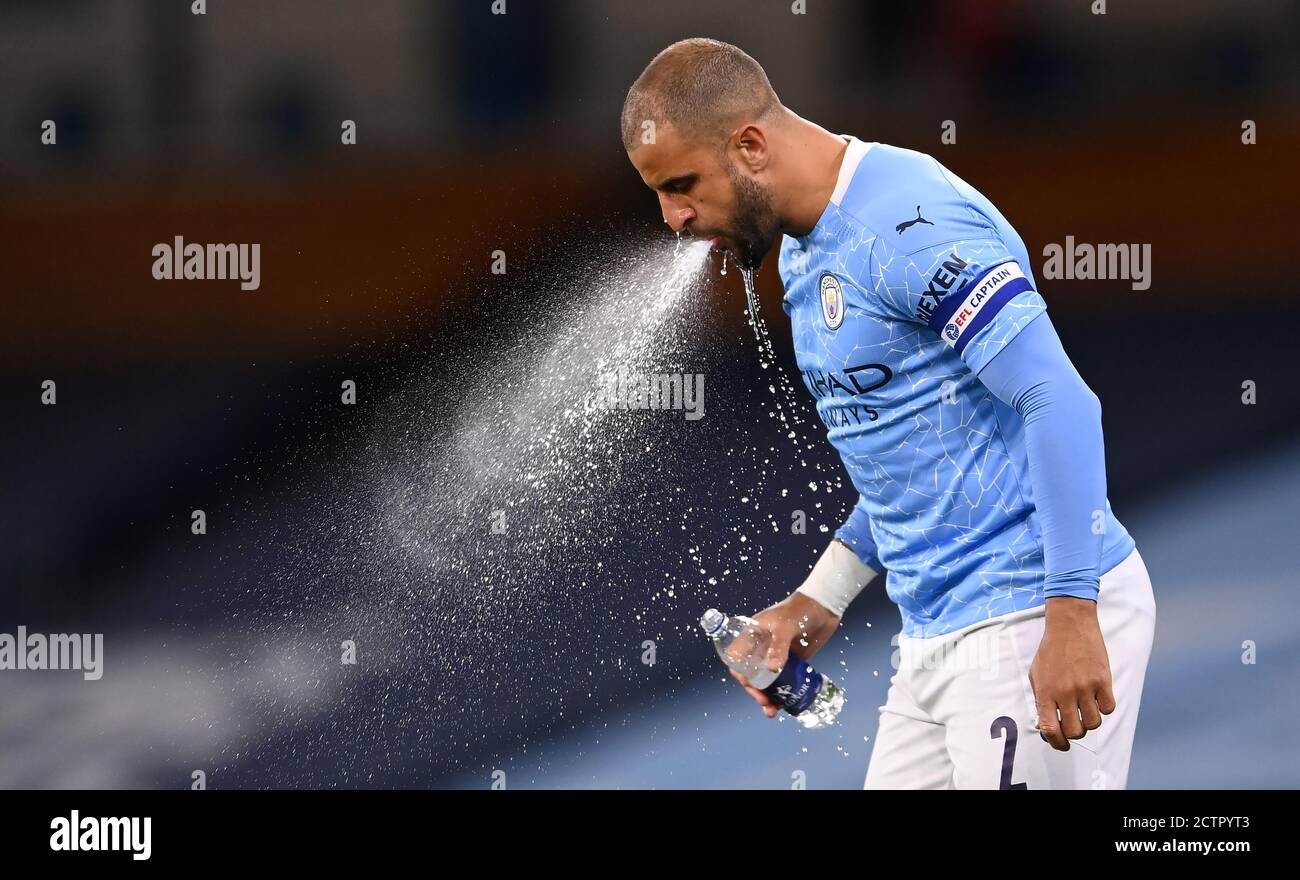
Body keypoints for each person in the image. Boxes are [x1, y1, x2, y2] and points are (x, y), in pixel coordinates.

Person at [621, 38, 1155, 789]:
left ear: (749, 145)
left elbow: (1059, 400)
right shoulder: (803, 246)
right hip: (939, 635)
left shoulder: (909, 223)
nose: (672, 217)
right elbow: (918, 453)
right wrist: (821, 598)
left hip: (1028, 614)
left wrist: (1071, 613)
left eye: (681, 184)